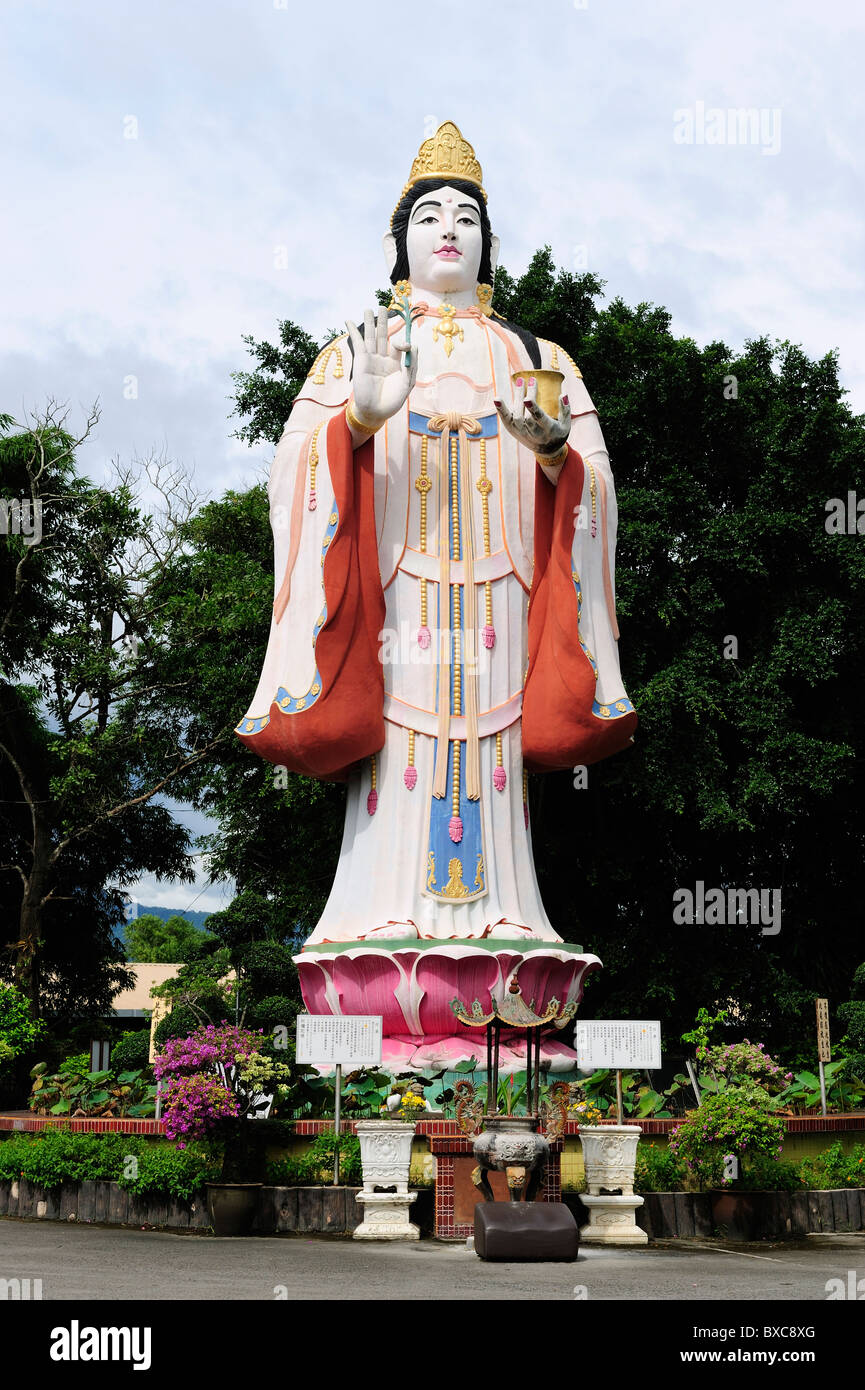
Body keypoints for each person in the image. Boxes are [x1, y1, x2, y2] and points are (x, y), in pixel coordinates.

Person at [236, 123, 636, 1068]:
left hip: (498, 606)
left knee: (491, 780)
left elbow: (597, 487)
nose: (448, 229)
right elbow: (292, 478)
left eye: (466, 216)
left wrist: (549, 452)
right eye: (428, 215)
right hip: (399, 610)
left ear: (489, 242)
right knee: (401, 765)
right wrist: (359, 424)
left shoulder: (540, 357)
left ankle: (508, 930)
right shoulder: (353, 349)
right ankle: (376, 924)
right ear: (398, 241)